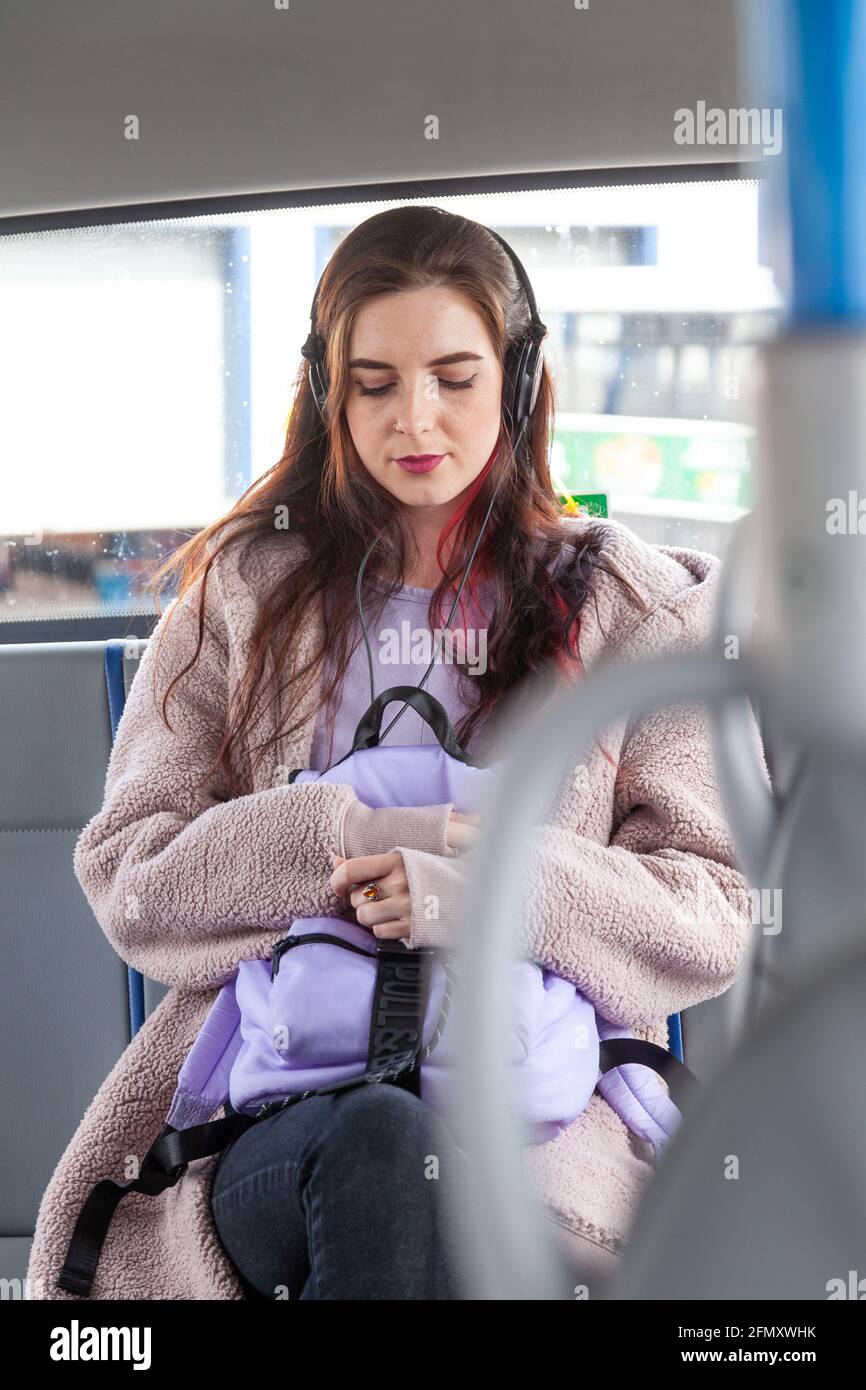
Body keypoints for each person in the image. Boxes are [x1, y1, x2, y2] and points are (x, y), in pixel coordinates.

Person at [28, 204, 767, 1302]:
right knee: (380, 1145)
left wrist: (488, 882)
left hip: (546, 1113)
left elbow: (710, 904)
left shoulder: (635, 610)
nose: (412, 418)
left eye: (453, 377)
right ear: (329, 391)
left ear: (515, 380)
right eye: (373, 382)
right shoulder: (243, 597)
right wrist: (360, 837)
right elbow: (133, 875)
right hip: (273, 1117)